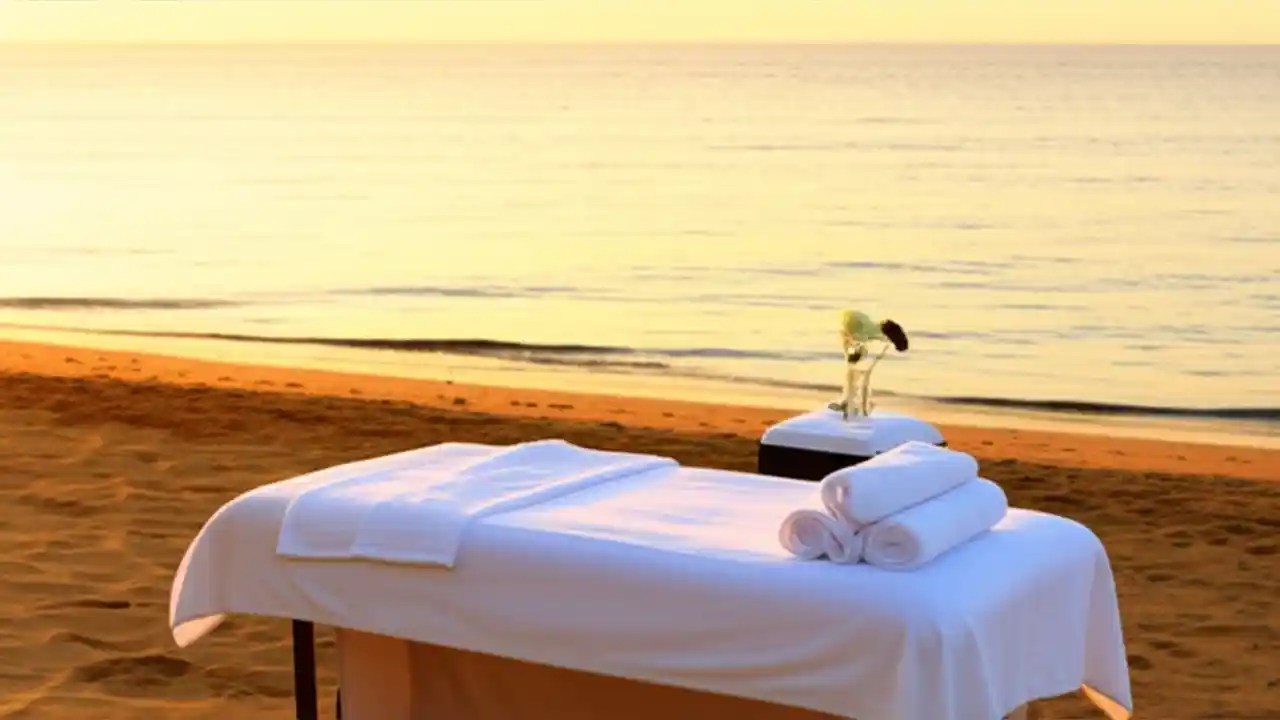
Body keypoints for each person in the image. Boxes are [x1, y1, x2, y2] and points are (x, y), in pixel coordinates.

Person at [829, 310, 909, 419]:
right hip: (851, 326)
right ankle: (850, 403)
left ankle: (849, 402)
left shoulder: (867, 331)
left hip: (851, 324)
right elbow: (858, 345)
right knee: (854, 370)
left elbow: (859, 345)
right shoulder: (865, 332)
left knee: (853, 370)